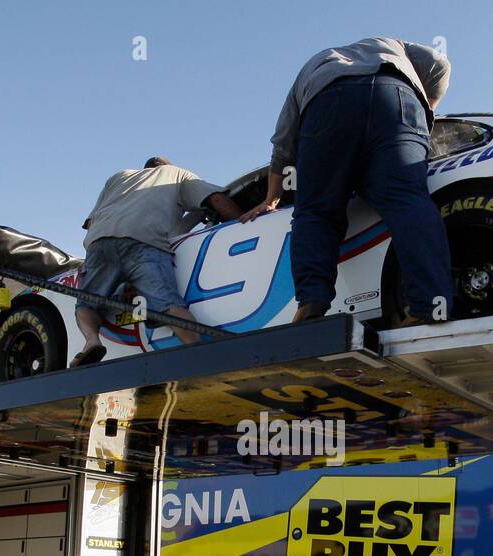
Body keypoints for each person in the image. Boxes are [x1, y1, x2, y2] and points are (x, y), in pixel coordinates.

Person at [241, 38, 454, 326]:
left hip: (327, 104)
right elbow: (440, 64)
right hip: (398, 99)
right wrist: (426, 105)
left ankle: (312, 304)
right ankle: (431, 306)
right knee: (407, 200)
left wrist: (271, 198)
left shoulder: (314, 65)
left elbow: (283, 143)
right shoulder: (392, 45)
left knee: (316, 212)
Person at [75, 157, 242, 365]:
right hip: (145, 242)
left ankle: (92, 342)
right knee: (168, 304)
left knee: (85, 303)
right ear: (166, 167)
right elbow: (216, 200)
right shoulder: (176, 174)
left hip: (99, 243)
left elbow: (92, 222)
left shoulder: (119, 177)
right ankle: (199, 354)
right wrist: (243, 223)